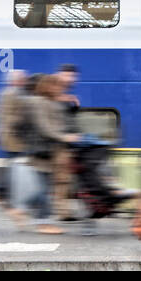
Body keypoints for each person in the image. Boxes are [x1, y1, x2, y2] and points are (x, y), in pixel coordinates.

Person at [16, 74, 80, 234]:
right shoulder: (39, 102)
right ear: (47, 87)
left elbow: (58, 122)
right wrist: (64, 136)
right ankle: (44, 224)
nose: (60, 89)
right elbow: (44, 127)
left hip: (50, 151)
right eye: (56, 86)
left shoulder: (51, 102)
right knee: (43, 188)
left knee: (44, 187)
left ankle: (22, 210)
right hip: (41, 152)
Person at [0, 69, 28, 205]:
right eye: (22, 79)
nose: (24, 81)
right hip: (13, 138)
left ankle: (4, 192)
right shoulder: (11, 94)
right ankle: (1, 191)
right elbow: (9, 117)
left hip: (11, 137)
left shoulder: (9, 93)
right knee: (16, 166)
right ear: (15, 80)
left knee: (14, 166)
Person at [51, 64, 81, 220]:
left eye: (74, 76)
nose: (72, 79)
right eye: (69, 76)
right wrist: (67, 99)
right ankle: (61, 212)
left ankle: (62, 210)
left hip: (65, 142)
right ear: (60, 74)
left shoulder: (63, 92)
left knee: (64, 178)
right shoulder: (54, 89)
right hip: (58, 143)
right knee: (62, 178)